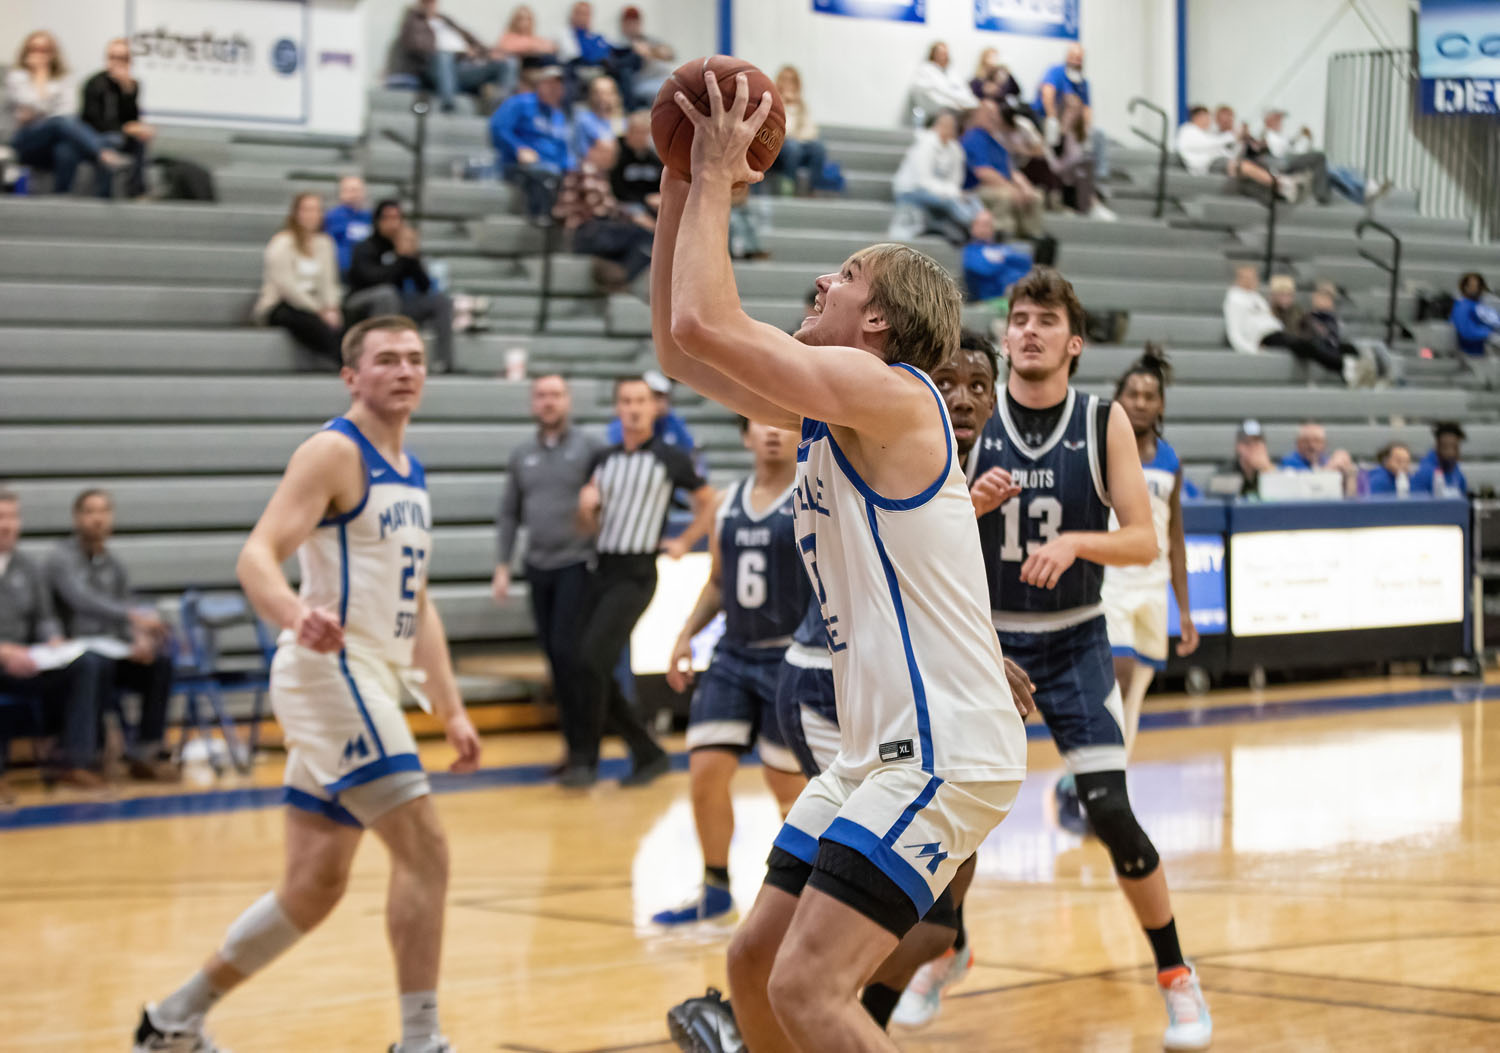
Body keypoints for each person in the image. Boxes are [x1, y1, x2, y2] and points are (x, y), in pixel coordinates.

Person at [651, 69, 1031, 1051]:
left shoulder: (891, 393)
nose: (819, 282)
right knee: (753, 971)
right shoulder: (828, 412)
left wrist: (721, 180)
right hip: (877, 750)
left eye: (844, 277)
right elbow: (681, 348)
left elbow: (706, 325)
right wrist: (678, 184)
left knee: (814, 989)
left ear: (877, 323)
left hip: (943, 746)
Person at [132, 316, 481, 1053]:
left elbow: (416, 605)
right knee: (428, 850)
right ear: (351, 376)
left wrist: (451, 709)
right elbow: (256, 554)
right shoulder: (333, 451)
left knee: (314, 884)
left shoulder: (408, 468)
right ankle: (422, 1038)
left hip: (372, 677)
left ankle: (171, 1020)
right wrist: (295, 611)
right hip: (331, 668)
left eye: (415, 358)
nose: (405, 370)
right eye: (386, 359)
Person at [967, 267, 1212, 1050]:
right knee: (950, 817)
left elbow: (1142, 536)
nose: (1027, 330)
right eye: (1018, 319)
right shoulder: (967, 417)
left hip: (1074, 636)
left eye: (1044, 320)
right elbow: (921, 537)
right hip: (986, 642)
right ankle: (946, 942)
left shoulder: (1101, 419)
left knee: (1109, 808)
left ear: (1073, 342)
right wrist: (965, 508)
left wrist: (1077, 539)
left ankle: (1176, 974)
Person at [655, 417, 810, 926]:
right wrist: (684, 636)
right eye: (759, 424)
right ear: (745, 437)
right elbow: (719, 584)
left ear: (799, 432)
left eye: (782, 424)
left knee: (786, 786)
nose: (771, 432)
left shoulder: (816, 498)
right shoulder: (725, 504)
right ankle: (715, 886)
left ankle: (805, 890)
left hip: (790, 657)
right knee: (704, 772)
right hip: (733, 654)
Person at [567, 377, 714, 789]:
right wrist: (586, 510)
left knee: (593, 660)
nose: (633, 408)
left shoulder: (669, 457)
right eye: (626, 401)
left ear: (654, 408)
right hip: (601, 568)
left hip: (636, 573)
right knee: (588, 663)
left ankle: (587, 761)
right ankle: (647, 752)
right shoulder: (602, 459)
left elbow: (708, 500)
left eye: (641, 401)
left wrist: (685, 540)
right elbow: (585, 526)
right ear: (617, 408)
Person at [493, 375, 604, 770]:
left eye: (556, 395)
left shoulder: (590, 448)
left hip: (577, 564)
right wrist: (502, 565)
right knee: (555, 661)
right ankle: (572, 747)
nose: (548, 402)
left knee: (570, 655)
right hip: (537, 566)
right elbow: (509, 512)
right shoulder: (522, 453)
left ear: (568, 400)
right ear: (532, 403)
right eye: (541, 395)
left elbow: (614, 488)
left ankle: (585, 751)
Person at [1098, 346, 1199, 761]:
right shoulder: (1102, 449)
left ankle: (1112, 776)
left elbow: (1175, 538)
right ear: (1118, 399)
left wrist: (1186, 611)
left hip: (1154, 586)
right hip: (1111, 582)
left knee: (1134, 692)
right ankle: (1091, 773)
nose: (1140, 401)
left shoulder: (1171, 459)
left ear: (1160, 404)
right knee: (1117, 680)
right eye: (1132, 393)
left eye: (1149, 395)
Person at [46, 489, 176, 782]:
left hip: (110, 651)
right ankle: (80, 759)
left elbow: (122, 613)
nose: (97, 519)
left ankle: (147, 752)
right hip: (72, 655)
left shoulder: (114, 565)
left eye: (104, 511)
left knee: (158, 663)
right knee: (93, 664)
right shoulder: (61, 558)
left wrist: (138, 639)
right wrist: (132, 616)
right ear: (77, 518)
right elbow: (82, 599)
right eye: (90, 512)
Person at [0, 490, 110, 793]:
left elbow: (45, 616)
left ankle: (73, 762)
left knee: (86, 664)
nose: (7, 525)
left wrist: (53, 639)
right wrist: (4, 652)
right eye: (1, 517)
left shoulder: (28, 566)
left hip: (27, 661)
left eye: (12, 517)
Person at [6, 31, 125, 197]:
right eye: (34, 49)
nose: (39, 54)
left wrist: (40, 111)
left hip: (55, 141)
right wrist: (41, 76)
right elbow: (31, 105)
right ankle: (101, 150)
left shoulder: (64, 78)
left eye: (45, 50)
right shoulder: (17, 76)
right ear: (26, 52)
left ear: (54, 53)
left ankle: (61, 197)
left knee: (66, 148)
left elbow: (69, 111)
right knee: (59, 123)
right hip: (26, 140)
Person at [344, 200, 455, 373]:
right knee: (386, 294)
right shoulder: (365, 247)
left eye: (397, 218)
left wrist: (413, 256)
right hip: (360, 302)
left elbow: (424, 286)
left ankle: (444, 362)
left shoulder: (402, 246)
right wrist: (401, 258)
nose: (393, 223)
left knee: (441, 301)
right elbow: (372, 279)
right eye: (387, 218)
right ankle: (383, 359)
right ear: (377, 221)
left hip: (395, 303)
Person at [252, 193, 344, 367]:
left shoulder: (325, 243)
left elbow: (329, 282)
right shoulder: (282, 242)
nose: (312, 214)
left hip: (317, 305)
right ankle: (341, 363)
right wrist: (318, 310)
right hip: (283, 303)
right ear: (296, 213)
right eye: (307, 209)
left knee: (345, 317)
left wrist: (331, 307)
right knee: (306, 320)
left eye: (317, 210)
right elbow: (286, 285)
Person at [554, 137, 655, 291]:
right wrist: (636, 217)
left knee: (644, 240)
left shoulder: (600, 174)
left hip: (596, 229)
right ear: (592, 151)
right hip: (585, 231)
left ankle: (615, 274)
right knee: (646, 236)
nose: (612, 158)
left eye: (614, 154)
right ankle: (621, 279)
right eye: (607, 153)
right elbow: (603, 208)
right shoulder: (587, 170)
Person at [1223, 266, 1347, 378]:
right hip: (1265, 336)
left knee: (1312, 344)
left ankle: (1346, 363)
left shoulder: (1256, 297)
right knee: (1306, 345)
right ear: (1241, 279)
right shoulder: (1234, 299)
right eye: (1251, 277)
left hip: (1276, 331)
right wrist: (1253, 349)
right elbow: (1234, 331)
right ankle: (1344, 365)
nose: (1255, 280)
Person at [391, 0, 512, 113]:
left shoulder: (445, 21)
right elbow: (417, 46)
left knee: (507, 63)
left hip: (462, 69)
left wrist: (489, 53)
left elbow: (472, 39)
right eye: (426, 1)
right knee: (444, 56)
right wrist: (460, 54)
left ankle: (501, 109)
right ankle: (449, 104)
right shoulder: (413, 21)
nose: (430, 4)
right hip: (434, 68)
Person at [489, 66, 574, 217]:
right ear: (540, 84)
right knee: (546, 174)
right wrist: (518, 148)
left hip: (552, 168)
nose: (555, 89)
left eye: (558, 85)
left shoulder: (558, 116)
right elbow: (498, 128)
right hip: (518, 166)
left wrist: (571, 169)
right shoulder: (520, 103)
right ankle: (541, 217)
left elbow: (563, 148)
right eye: (550, 84)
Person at [889, 111, 980, 245]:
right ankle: (973, 226)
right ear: (936, 125)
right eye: (944, 125)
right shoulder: (925, 145)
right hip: (911, 191)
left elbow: (956, 181)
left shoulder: (956, 149)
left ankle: (980, 226)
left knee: (972, 199)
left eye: (951, 125)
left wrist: (952, 193)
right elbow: (922, 181)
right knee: (951, 203)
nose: (948, 128)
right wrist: (951, 193)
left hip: (942, 194)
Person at [78, 38, 154, 199]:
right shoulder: (94, 83)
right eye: (113, 57)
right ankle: (103, 196)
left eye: (123, 59)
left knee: (140, 140)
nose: (118, 63)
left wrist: (127, 91)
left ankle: (137, 191)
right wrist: (124, 128)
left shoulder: (132, 85)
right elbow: (91, 120)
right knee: (111, 140)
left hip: (120, 136)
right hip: (95, 137)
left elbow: (132, 118)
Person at [962, 99, 1044, 240]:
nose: (993, 117)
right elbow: (983, 172)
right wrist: (1011, 188)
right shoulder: (973, 138)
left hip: (1000, 185)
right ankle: (1003, 238)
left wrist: (1024, 187)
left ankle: (1032, 238)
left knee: (1035, 196)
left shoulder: (996, 141)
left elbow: (1010, 170)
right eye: (988, 113)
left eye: (995, 113)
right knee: (1005, 196)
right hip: (975, 189)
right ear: (978, 115)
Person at [1032, 44, 1109, 186]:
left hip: (1070, 128)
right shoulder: (1055, 72)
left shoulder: (1083, 83)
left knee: (1098, 135)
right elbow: (1047, 94)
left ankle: (1096, 180)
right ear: (1067, 57)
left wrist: (1086, 128)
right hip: (1048, 119)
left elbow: (1086, 109)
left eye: (1079, 58)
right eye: (1073, 57)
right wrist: (1053, 118)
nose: (1076, 61)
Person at [770, 66, 827, 196]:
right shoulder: (774, 103)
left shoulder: (802, 106)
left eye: (791, 80)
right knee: (793, 147)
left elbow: (812, 132)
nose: (788, 84)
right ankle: (788, 187)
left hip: (799, 146)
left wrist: (797, 136)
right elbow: (781, 130)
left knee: (818, 147)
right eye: (784, 80)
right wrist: (783, 102)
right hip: (779, 149)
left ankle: (814, 189)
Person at [606, 369, 696, 451]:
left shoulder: (672, 422)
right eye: (654, 396)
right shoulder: (626, 422)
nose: (659, 402)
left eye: (662, 396)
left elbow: (687, 448)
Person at [962, 210, 1039, 303]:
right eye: (982, 224)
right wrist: (1004, 262)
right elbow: (985, 270)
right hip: (991, 300)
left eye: (989, 225)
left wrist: (1002, 259)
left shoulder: (1001, 248)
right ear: (973, 228)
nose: (985, 229)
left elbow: (1026, 262)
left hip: (1019, 290)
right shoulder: (970, 251)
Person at [617, 5, 676, 107]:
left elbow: (669, 54)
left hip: (662, 78)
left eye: (635, 22)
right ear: (623, 24)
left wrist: (651, 51)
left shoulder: (649, 40)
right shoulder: (621, 44)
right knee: (666, 91)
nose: (633, 26)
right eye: (629, 23)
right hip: (642, 83)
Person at [610, 111, 663, 216]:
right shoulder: (618, 155)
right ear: (628, 133)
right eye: (637, 132)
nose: (641, 137)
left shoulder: (656, 158)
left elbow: (661, 184)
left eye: (645, 132)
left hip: (652, 203)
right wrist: (644, 199)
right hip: (626, 204)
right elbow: (617, 189)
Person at [910, 41, 978, 120]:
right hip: (940, 112)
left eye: (946, 53)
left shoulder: (952, 73)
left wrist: (971, 104)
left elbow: (965, 92)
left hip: (962, 109)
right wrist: (955, 105)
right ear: (933, 54)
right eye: (941, 53)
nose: (944, 56)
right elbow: (933, 95)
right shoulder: (925, 70)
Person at [324, 175, 374, 278]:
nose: (353, 194)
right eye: (349, 190)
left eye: (356, 190)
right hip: (341, 270)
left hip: (367, 268)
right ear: (341, 193)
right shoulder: (332, 217)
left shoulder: (369, 217)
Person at [1279, 420, 1356, 485]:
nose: (1311, 446)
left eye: (1317, 441)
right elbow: (1307, 484)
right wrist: (1329, 469)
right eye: (1306, 441)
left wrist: (1349, 475)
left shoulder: (1326, 460)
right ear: (1298, 444)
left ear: (1325, 444)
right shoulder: (1289, 462)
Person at [572, 74, 624, 161]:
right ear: (591, 95)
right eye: (597, 93)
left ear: (615, 95)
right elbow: (582, 151)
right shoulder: (584, 120)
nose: (602, 97)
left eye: (607, 93)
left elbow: (621, 149)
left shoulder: (619, 120)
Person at [1216, 418, 1273, 497]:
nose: (1253, 447)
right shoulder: (1225, 472)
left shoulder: (1269, 472)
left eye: (1256, 441)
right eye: (1247, 442)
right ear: (1238, 445)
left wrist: (1268, 470)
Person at [1411, 421, 1468, 498]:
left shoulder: (1456, 470)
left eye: (1455, 447)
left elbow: (1463, 499)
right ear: (1437, 446)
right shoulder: (1424, 472)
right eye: (1446, 447)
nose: (1451, 452)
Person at [492, 5, 558, 71]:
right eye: (521, 19)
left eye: (528, 19)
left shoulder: (534, 38)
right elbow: (506, 47)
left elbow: (551, 47)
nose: (525, 22)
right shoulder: (508, 36)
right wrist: (532, 47)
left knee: (550, 59)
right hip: (516, 70)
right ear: (515, 20)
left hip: (535, 67)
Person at [1451, 272, 1500, 358]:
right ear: (1465, 287)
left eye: (1478, 286)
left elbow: (1494, 321)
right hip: (1468, 354)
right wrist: (1489, 335)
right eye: (1472, 286)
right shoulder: (1462, 306)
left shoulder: (1481, 305)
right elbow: (1466, 330)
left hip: (1482, 352)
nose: (1476, 289)